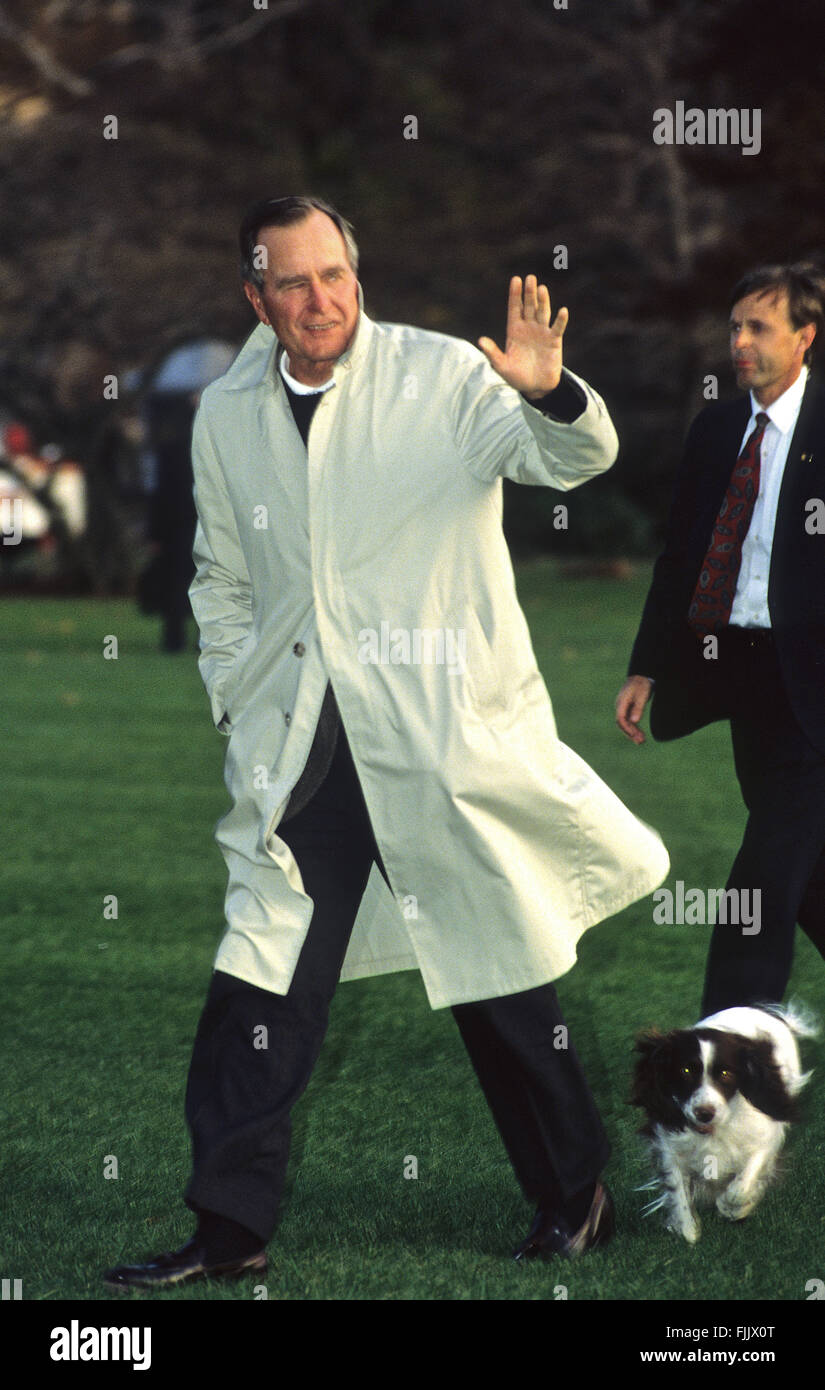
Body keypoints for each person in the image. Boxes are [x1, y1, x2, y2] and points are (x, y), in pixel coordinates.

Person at [104, 195, 668, 1291]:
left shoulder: (449, 374)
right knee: (259, 987)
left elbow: (571, 460)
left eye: (335, 274)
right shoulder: (226, 411)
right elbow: (218, 574)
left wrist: (549, 393)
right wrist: (233, 691)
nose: (322, 301)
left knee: (499, 980)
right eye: (293, 283)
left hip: (437, 740)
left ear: (357, 272)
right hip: (304, 749)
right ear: (254, 298)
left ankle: (575, 1195)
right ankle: (229, 1230)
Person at [616, 262, 825, 1016]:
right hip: (741, 673)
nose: (738, 341)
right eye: (733, 326)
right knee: (803, 868)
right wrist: (646, 667)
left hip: (815, 683)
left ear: (805, 336)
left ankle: (726, 1048)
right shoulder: (714, 427)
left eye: (758, 328)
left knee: (761, 880)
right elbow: (679, 556)